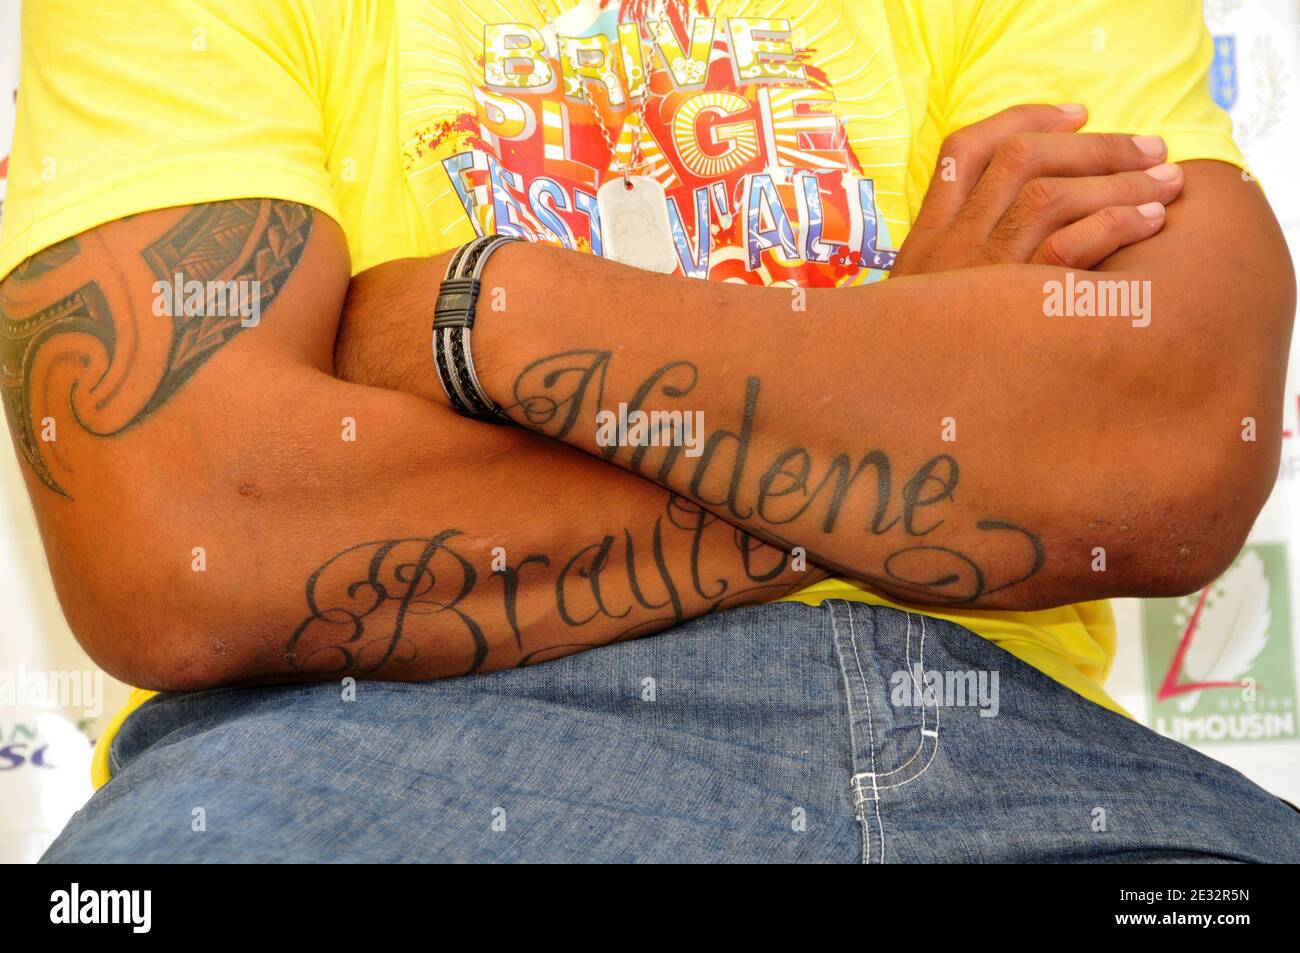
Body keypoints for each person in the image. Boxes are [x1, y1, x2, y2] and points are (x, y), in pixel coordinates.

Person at [3, 0, 1296, 862]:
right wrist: (903, 385)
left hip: (1032, 771)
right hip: (366, 766)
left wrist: (492, 312)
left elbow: (1173, 445)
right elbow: (188, 535)